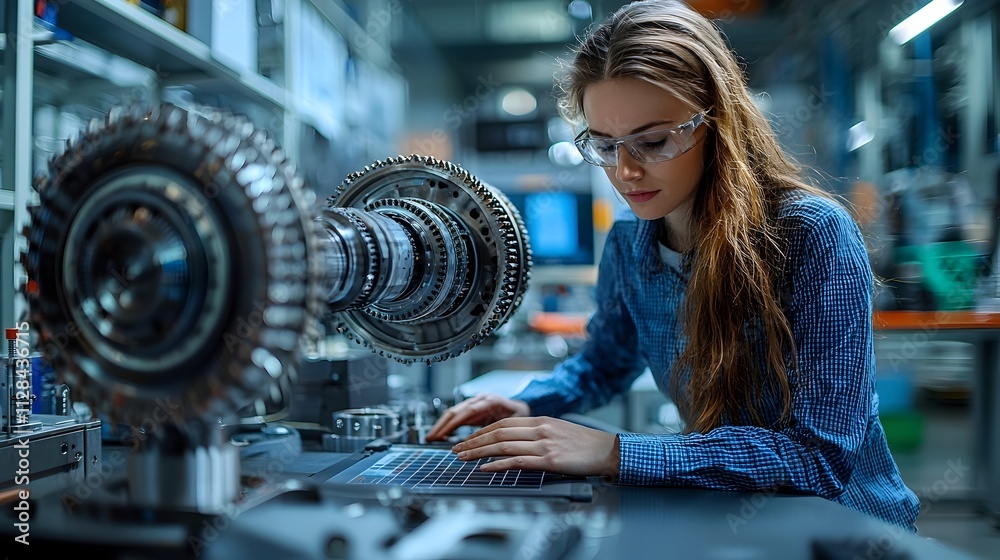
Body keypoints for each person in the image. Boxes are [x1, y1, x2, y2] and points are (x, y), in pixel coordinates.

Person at [425, 0, 920, 531]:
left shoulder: (811, 234)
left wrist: (615, 452)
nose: (625, 171)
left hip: (842, 529)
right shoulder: (630, 243)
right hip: (724, 517)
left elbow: (819, 458)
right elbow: (605, 364)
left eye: (653, 142)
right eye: (605, 145)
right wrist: (528, 404)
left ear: (716, 122)